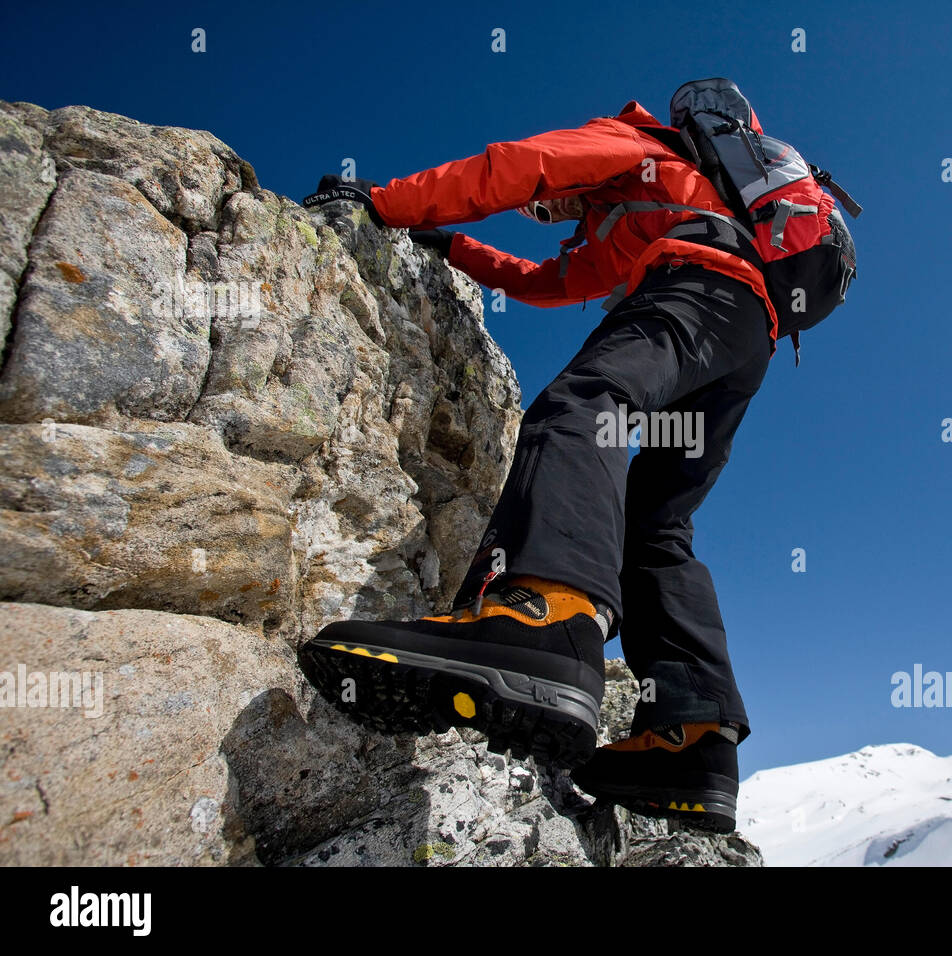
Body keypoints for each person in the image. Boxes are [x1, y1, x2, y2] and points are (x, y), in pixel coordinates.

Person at [299, 96, 794, 833]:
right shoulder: (650, 210)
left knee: (584, 405)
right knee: (656, 529)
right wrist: (455, 249)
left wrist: (385, 202)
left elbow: (520, 165)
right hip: (746, 334)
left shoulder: (635, 141)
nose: (551, 212)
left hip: (691, 291)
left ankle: (542, 619)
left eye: (550, 210)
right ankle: (691, 739)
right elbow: (549, 284)